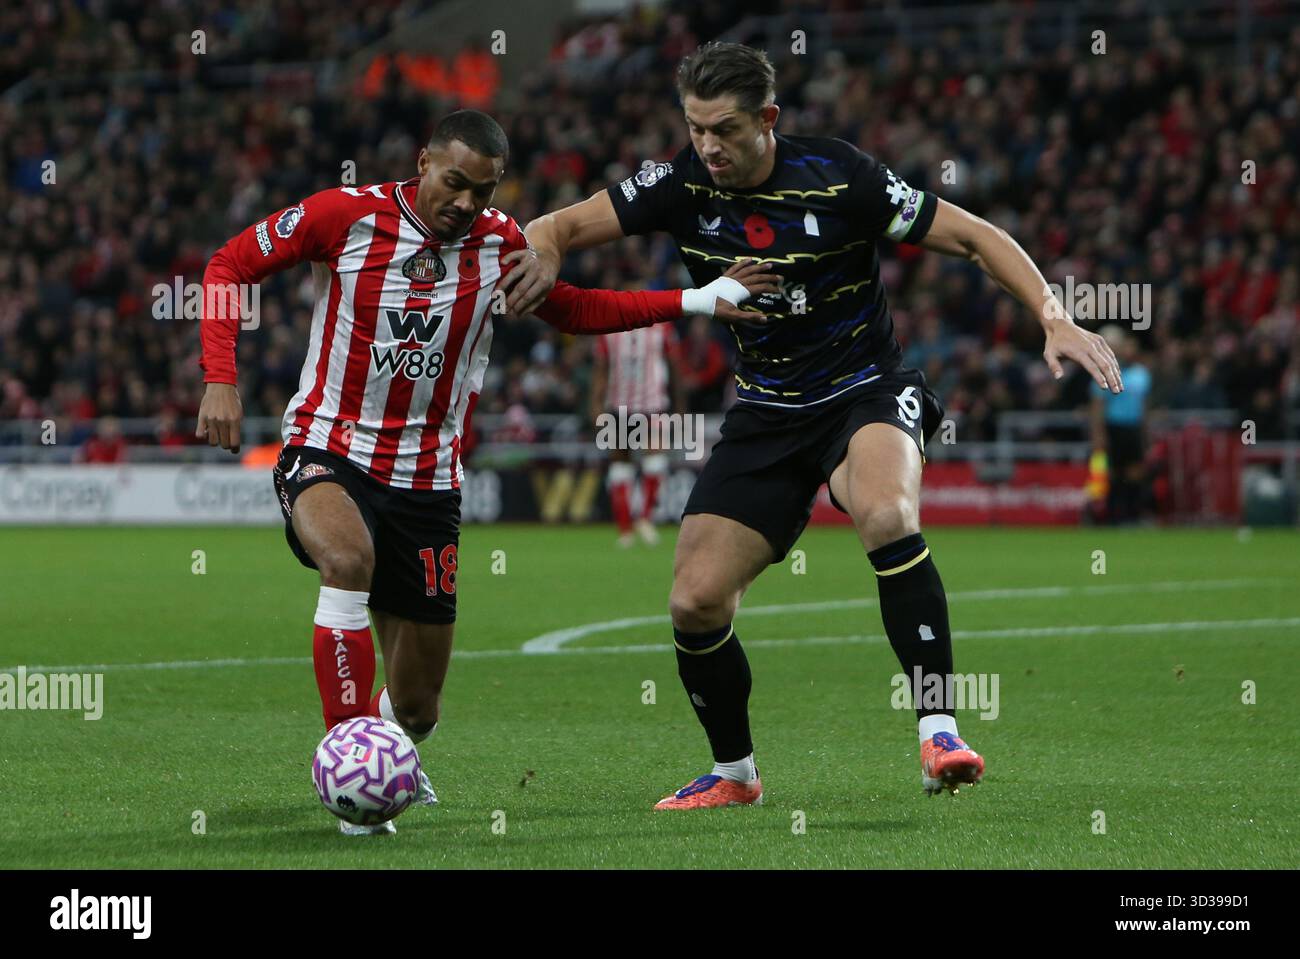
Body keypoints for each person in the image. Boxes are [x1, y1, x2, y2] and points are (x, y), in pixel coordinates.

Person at [505, 43, 1123, 808]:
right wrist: (536, 253)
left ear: (768, 119)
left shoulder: (841, 176)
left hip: (863, 387)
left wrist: (1052, 315)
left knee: (887, 513)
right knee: (693, 602)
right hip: (766, 409)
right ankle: (735, 774)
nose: (708, 146)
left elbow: (971, 235)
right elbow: (556, 226)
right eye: (696, 128)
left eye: (725, 128)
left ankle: (939, 730)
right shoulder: (677, 182)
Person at [196, 109, 777, 833]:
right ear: (423, 163)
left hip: (430, 479)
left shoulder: (502, 245)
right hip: (328, 447)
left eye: (485, 189)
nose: (467, 201)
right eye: (455, 182)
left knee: (417, 706)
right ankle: (349, 770)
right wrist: (220, 375)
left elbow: (575, 309)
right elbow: (228, 264)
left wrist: (696, 299)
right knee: (346, 559)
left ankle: (388, 753)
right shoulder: (345, 216)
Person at [590, 321, 682, 546]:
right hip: (630, 405)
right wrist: (595, 405)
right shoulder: (661, 327)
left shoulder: (612, 328)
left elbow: (674, 365)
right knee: (625, 463)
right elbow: (602, 368)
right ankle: (629, 527)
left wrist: (595, 404)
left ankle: (638, 523)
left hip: (645, 405)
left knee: (647, 459)